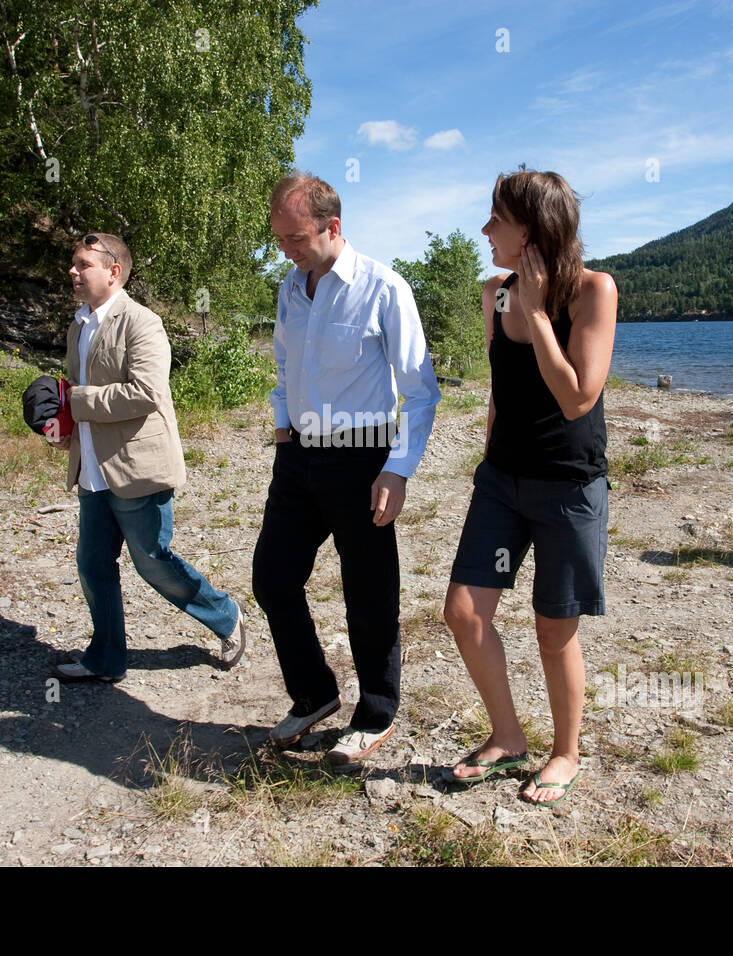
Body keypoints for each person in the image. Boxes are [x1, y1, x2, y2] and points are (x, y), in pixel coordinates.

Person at [253, 172, 441, 764]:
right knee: (273, 578)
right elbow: (284, 362)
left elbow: (421, 390)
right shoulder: (291, 288)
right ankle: (312, 695)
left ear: (333, 227)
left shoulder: (384, 289)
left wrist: (398, 469)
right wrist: (283, 420)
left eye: (296, 238)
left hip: (364, 457)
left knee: (368, 589)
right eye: (279, 239)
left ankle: (378, 711)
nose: (286, 250)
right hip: (299, 457)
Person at [443, 168, 617, 804]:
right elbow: (501, 387)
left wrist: (539, 314)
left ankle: (566, 752)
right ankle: (507, 736)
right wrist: (487, 456)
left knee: (553, 626)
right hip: (502, 481)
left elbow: (577, 397)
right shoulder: (494, 293)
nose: (485, 229)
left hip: (568, 485)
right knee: (464, 611)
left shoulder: (595, 290)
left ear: (533, 229)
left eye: (497, 219)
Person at [46, 232, 245, 682]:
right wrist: (65, 426)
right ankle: (106, 659)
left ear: (114, 272)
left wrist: (76, 402)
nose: (73, 272)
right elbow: (79, 394)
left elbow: (147, 392)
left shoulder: (142, 322)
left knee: (152, 561)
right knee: (93, 565)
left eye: (83, 265)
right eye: (73, 264)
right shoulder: (78, 324)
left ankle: (226, 615)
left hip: (138, 469)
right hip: (92, 469)